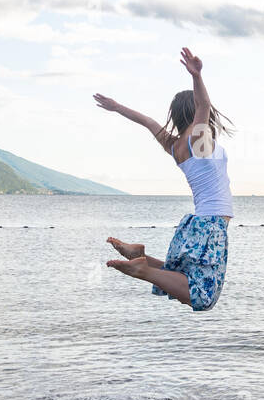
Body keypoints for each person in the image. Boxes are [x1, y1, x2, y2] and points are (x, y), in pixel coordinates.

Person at [93, 48, 234, 311]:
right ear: (193, 111)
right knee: (203, 297)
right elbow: (204, 105)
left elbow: (147, 121)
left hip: (198, 224)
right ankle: (142, 270)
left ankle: (140, 257)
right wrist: (197, 76)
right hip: (212, 223)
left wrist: (116, 107)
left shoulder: (175, 146)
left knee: (184, 277)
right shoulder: (199, 142)